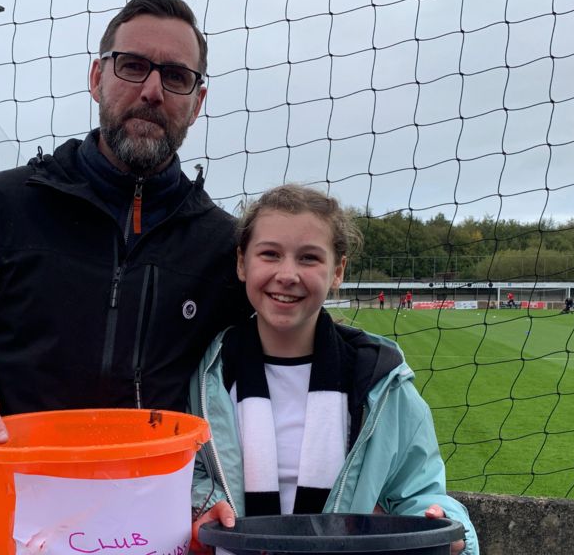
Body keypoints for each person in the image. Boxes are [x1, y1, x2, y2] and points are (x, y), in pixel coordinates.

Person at [0, 0, 249, 553]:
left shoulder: (223, 246)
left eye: (176, 76)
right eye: (133, 66)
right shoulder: (0, 208)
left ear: (197, 102)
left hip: (155, 536)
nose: (152, 90)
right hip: (1, 532)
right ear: (97, 76)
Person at [187, 185, 479, 555]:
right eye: (270, 254)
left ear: (337, 270)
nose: (287, 274)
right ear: (243, 263)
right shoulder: (206, 375)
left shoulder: (382, 382)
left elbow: (420, 492)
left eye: (309, 258)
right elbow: (189, 475)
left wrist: (445, 529)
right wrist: (200, 507)